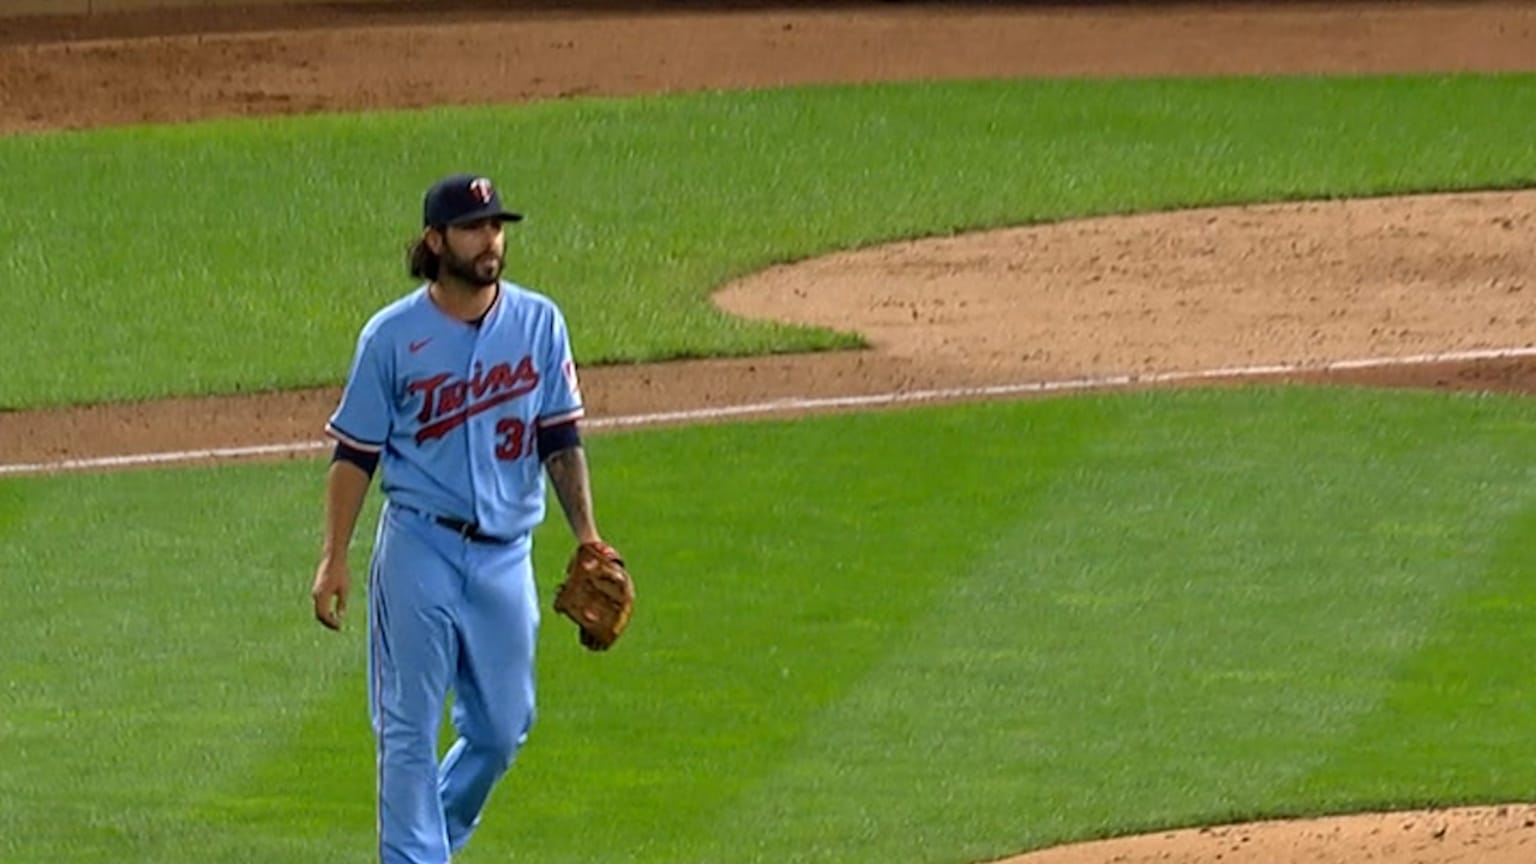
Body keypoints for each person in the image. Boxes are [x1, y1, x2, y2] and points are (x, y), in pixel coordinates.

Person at [309, 173, 617, 864]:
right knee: (407, 730)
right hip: (421, 546)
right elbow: (354, 454)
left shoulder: (540, 323)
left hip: (506, 555)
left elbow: (560, 441)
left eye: (497, 227)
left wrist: (588, 536)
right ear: (435, 240)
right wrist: (335, 556)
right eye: (476, 228)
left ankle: (430, 840)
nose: (491, 241)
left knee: (505, 727)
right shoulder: (391, 337)